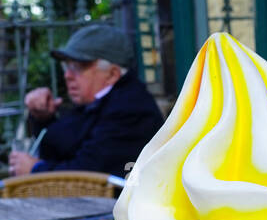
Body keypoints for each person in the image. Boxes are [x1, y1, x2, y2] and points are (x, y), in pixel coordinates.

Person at [8, 23, 163, 180]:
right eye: (66, 66)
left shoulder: (129, 109)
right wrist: (44, 118)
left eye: (78, 66)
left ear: (112, 74)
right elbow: (63, 147)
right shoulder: (100, 101)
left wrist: (36, 169)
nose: (67, 75)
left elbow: (88, 173)